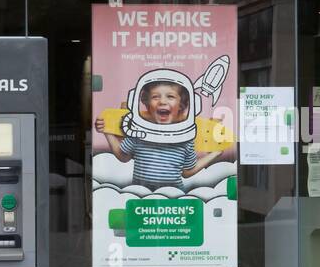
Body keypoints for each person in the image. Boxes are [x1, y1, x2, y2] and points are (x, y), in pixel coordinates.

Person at [94, 80, 235, 191]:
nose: (162, 101)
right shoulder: (139, 132)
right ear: (147, 104)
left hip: (174, 197)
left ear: (181, 105)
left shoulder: (186, 137)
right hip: (141, 197)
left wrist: (214, 153)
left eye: (170, 96)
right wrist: (107, 131)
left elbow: (187, 171)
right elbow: (123, 156)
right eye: (155, 97)